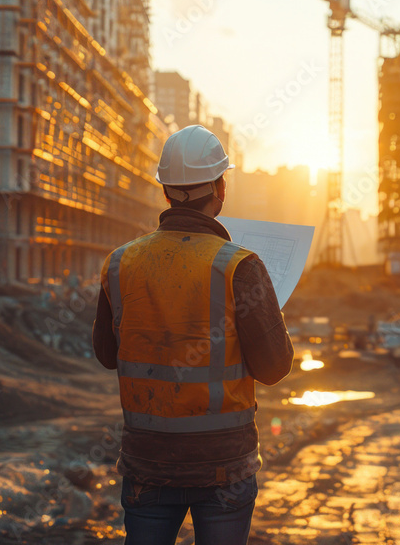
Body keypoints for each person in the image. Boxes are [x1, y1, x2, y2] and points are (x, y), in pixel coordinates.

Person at [92, 125, 295, 545]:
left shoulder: (120, 263)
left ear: (165, 191)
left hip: (147, 460)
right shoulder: (240, 266)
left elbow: (106, 354)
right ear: (220, 187)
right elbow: (274, 367)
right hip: (222, 466)